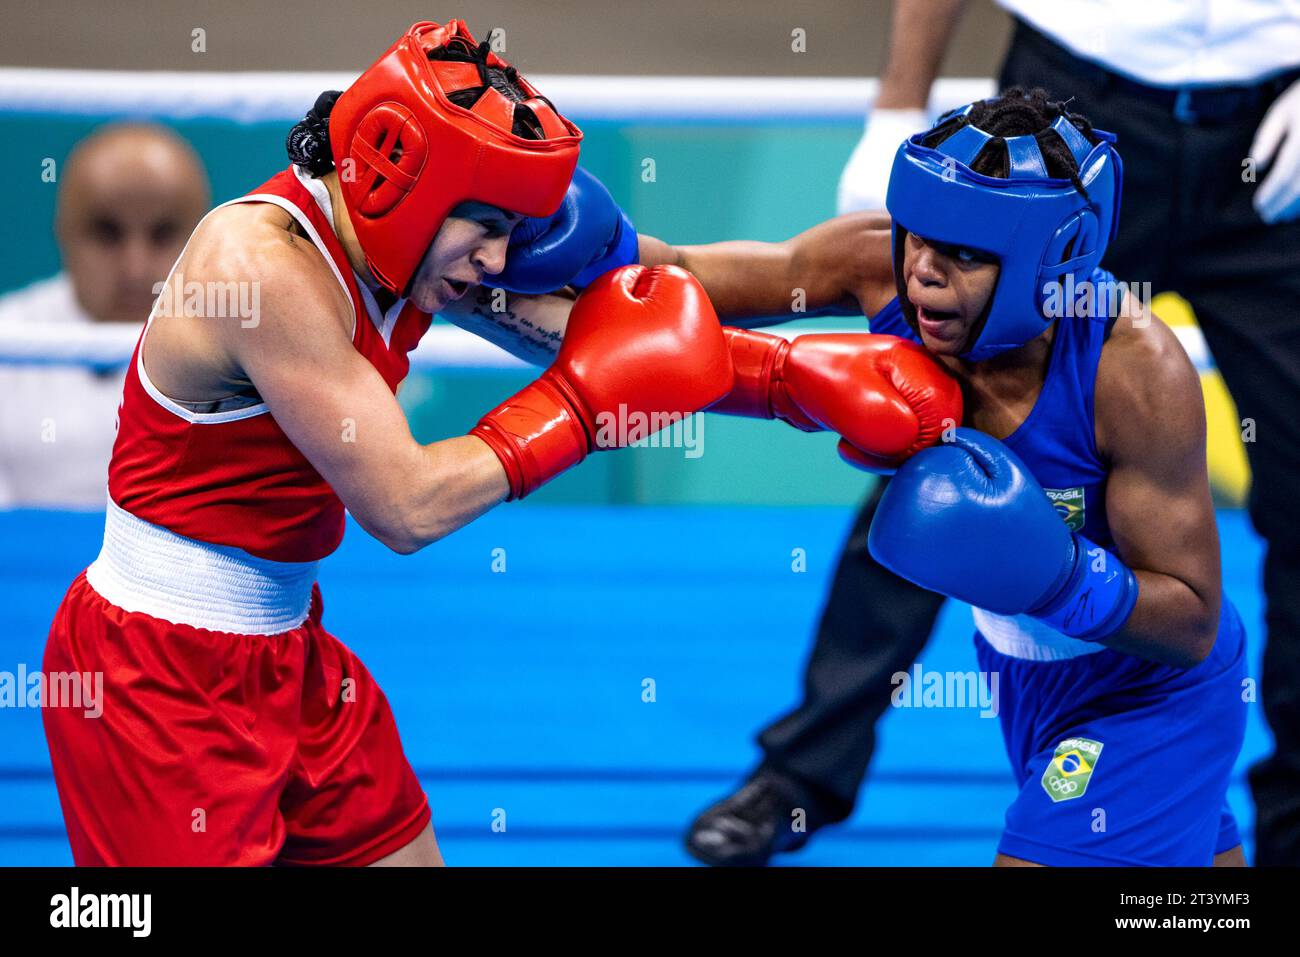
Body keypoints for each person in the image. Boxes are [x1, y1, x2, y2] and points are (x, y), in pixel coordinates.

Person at [41, 20, 958, 867]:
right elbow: (406, 503)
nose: (498, 263)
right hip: (156, 680)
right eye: (487, 235)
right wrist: (582, 407)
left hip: (292, 652)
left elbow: (648, 305)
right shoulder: (261, 269)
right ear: (404, 180)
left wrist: (812, 337)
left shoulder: (429, 238)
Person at [691, 0, 1300, 866]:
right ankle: (799, 772)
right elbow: (674, 275)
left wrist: (1055, 574)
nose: (925, 272)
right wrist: (530, 245)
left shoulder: (1139, 368)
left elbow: (1192, 619)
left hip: (1268, 131)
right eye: (919, 243)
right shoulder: (889, 261)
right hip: (1073, 95)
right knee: (932, 476)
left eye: (960, 255)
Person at [0, 123, 209, 507]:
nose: (135, 268)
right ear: (64, 232)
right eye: (106, 233)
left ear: (204, 238)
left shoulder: (245, 350)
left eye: (162, 233)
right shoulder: (8, 341)